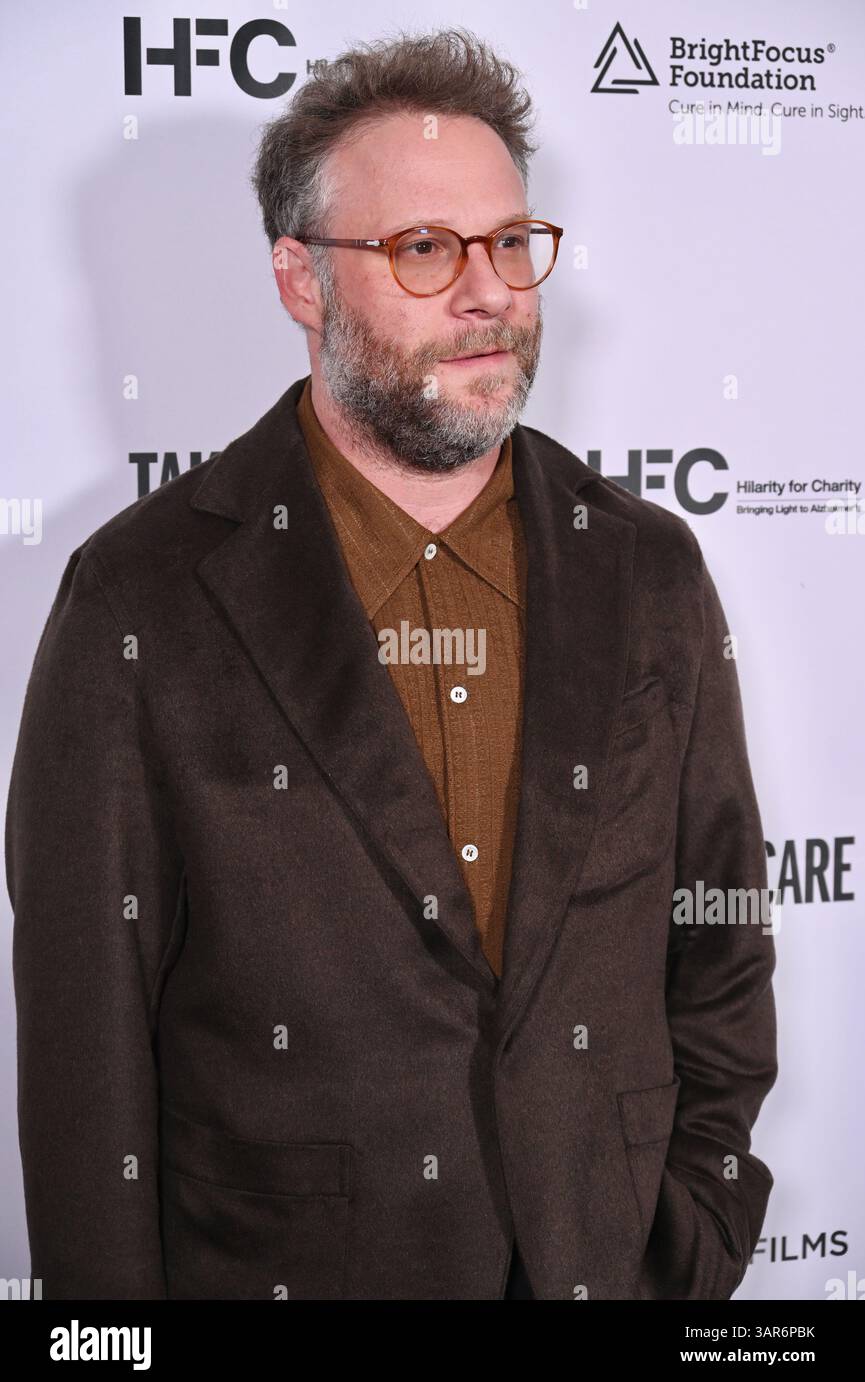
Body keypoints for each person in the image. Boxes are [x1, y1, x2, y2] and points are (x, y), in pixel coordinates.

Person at [6, 28, 777, 1300]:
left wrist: (684, 1236)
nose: (490, 294)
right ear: (300, 281)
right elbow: (86, 1064)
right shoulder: (138, 599)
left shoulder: (646, 571)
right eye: (424, 249)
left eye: (510, 243)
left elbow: (721, 943)